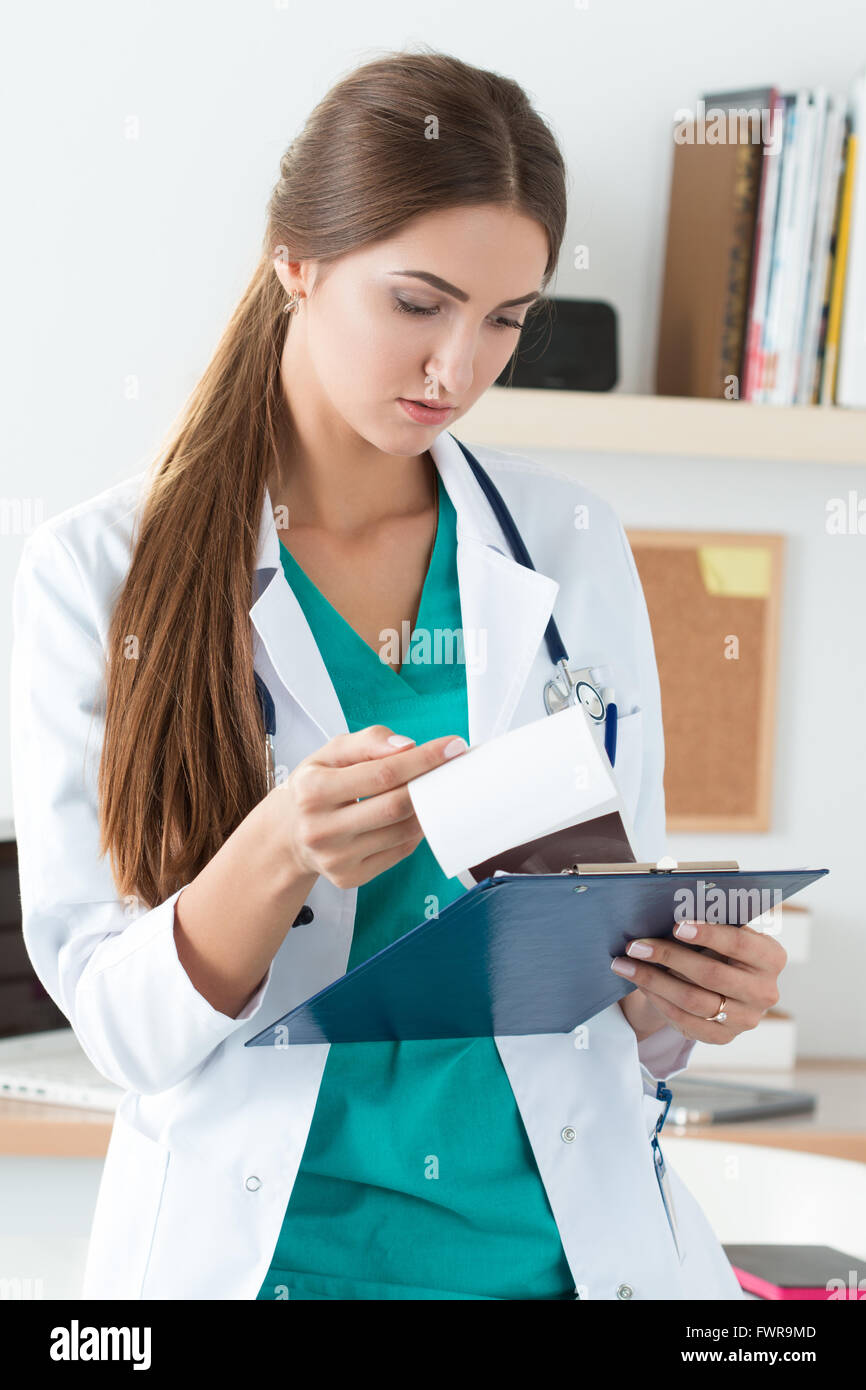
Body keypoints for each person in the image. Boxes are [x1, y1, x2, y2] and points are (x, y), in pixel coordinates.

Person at [9, 46, 784, 1301]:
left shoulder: (569, 544)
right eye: (418, 304)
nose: (457, 369)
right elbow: (122, 1028)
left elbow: (604, 968)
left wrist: (685, 996)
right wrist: (275, 850)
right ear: (296, 263)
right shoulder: (95, 573)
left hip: (563, 1262)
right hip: (278, 1265)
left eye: (504, 322)